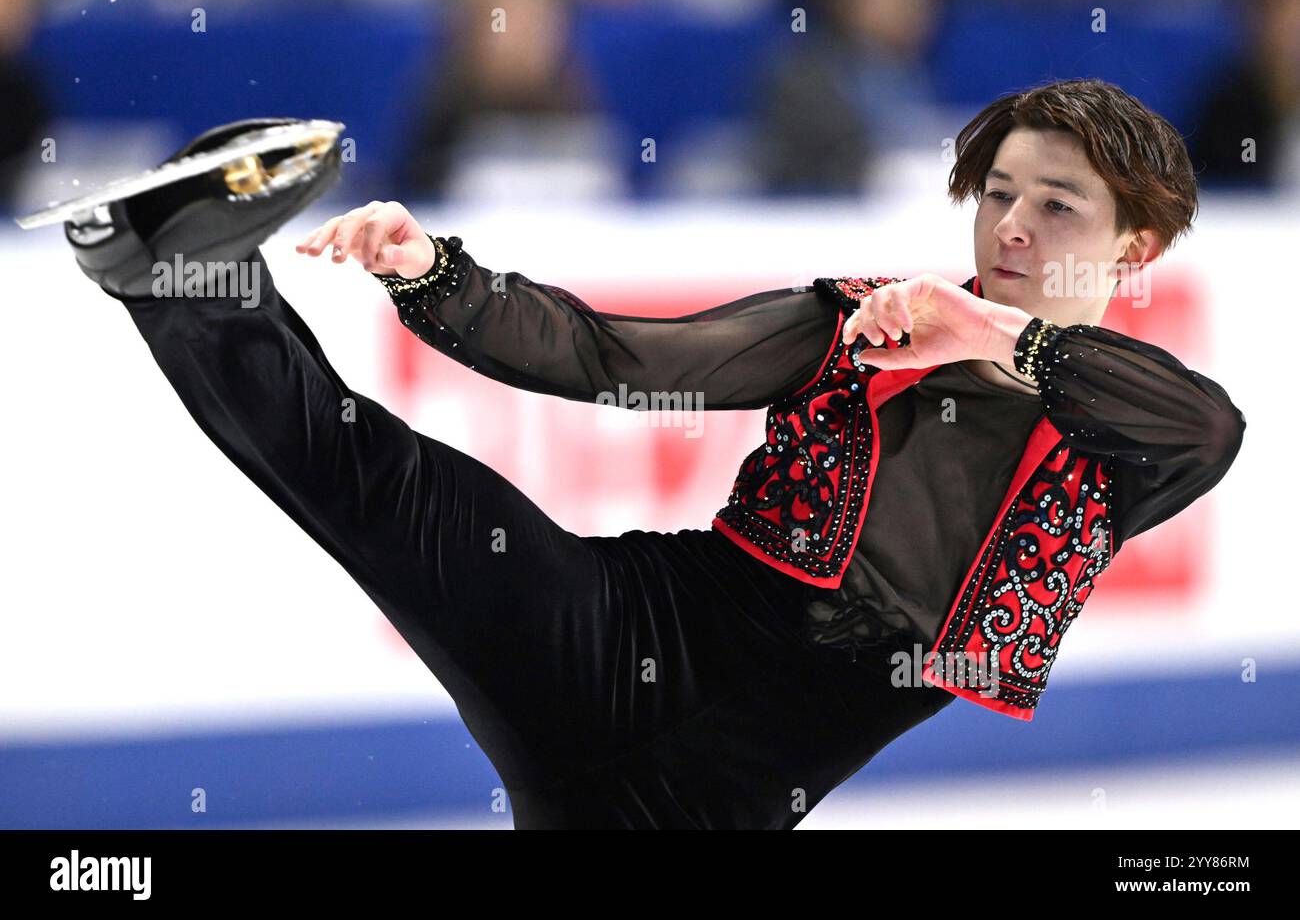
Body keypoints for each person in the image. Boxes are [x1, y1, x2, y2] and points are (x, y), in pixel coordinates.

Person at [64, 78, 1244, 829]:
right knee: (381, 481)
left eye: (1058, 206)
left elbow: (1199, 424)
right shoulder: (854, 324)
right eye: (995, 194)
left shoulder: (1131, 435)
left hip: (714, 797)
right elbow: (609, 355)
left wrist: (980, 328)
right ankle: (181, 272)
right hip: (614, 624)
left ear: (1134, 246)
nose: (1011, 227)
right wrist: (433, 273)